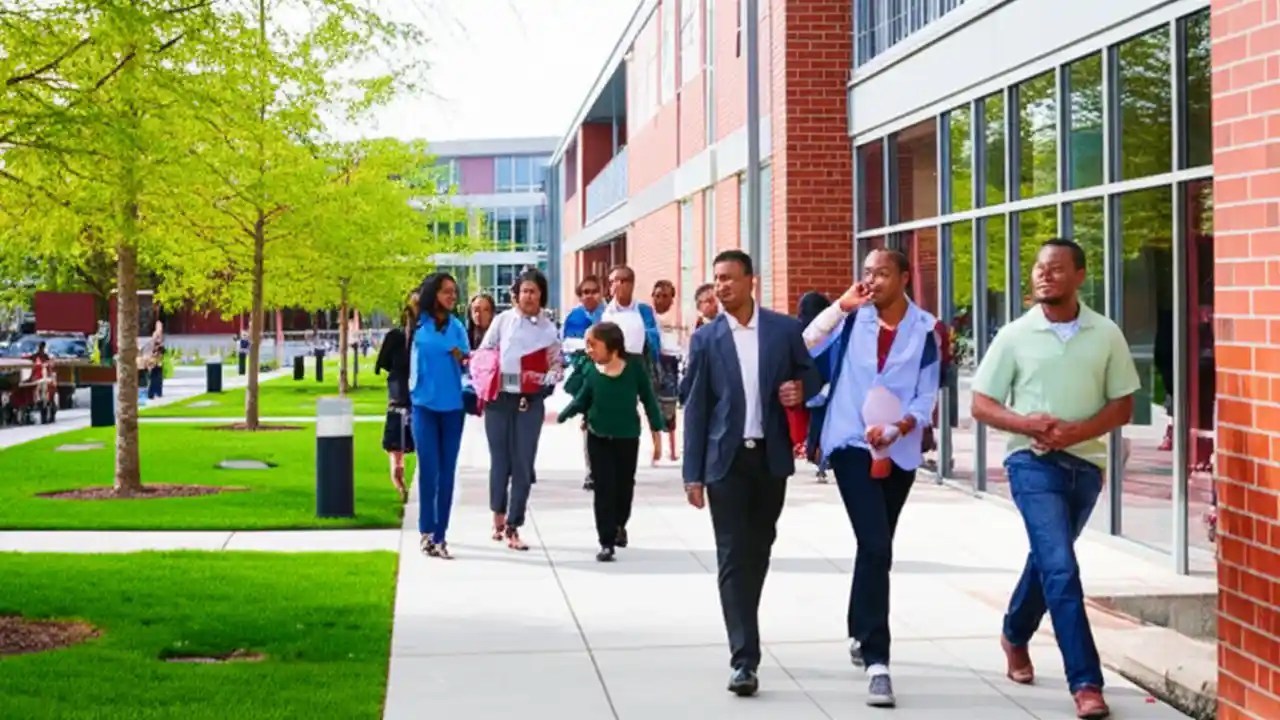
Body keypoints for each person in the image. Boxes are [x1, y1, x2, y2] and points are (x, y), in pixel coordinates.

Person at [970, 238, 1140, 720]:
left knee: (1047, 562)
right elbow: (981, 403)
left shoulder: (1105, 334)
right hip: (1031, 463)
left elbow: (1123, 403)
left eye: (1057, 268)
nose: (1044, 275)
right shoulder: (1015, 335)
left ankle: (1014, 634)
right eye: (1039, 268)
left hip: (1086, 465)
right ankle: (1086, 682)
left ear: (1080, 275)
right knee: (1062, 568)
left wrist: (1078, 432)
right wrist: (1029, 425)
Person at [800, 249, 941, 708]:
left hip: (897, 449)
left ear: (903, 278)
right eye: (866, 273)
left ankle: (858, 628)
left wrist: (902, 426)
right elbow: (805, 344)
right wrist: (841, 305)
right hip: (851, 445)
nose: (872, 280)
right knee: (877, 543)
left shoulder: (926, 331)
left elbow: (925, 396)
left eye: (881, 273)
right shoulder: (851, 319)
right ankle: (879, 660)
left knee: (875, 544)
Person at [682, 249, 820, 697]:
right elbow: (697, 407)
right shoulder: (706, 338)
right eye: (716, 279)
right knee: (732, 555)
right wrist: (693, 473)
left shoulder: (783, 330)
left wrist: (800, 390)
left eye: (728, 278)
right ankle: (744, 658)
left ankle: (747, 622)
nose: (720, 286)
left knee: (758, 551)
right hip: (725, 463)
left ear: (750, 282)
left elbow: (812, 377)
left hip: (770, 459)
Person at [557, 321, 665, 561]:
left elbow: (648, 400)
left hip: (627, 437)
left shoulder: (635, 368)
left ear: (612, 347)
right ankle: (606, 541)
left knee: (624, 487)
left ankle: (619, 525)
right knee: (603, 489)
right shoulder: (592, 370)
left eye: (593, 344)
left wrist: (658, 436)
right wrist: (565, 414)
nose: (589, 350)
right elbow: (583, 398)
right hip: (598, 436)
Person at [479, 267, 562, 551]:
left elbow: (556, 365)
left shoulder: (548, 329)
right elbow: (485, 352)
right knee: (499, 462)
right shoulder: (502, 321)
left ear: (541, 296)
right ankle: (497, 518)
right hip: (499, 400)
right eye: (524, 290)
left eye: (534, 291)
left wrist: (544, 378)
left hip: (530, 401)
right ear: (516, 295)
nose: (528, 296)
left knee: (523, 464)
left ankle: (515, 525)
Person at [409, 273, 470, 560]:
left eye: (454, 293)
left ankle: (441, 536)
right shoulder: (417, 324)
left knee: (447, 473)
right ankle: (426, 532)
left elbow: (468, 364)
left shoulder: (457, 327)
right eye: (446, 291)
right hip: (423, 406)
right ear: (434, 293)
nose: (451, 297)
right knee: (428, 471)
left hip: (452, 408)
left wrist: (458, 353)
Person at [561, 276, 605, 490]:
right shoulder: (573, 318)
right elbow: (566, 348)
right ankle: (592, 472)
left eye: (593, 291)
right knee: (590, 424)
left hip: (610, 377)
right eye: (584, 292)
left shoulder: (609, 315)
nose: (589, 295)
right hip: (587, 379)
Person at [375, 291, 418, 503]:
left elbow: (382, 366)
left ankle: (402, 488)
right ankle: (402, 488)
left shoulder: (422, 338)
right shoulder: (397, 337)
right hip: (405, 401)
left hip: (408, 401)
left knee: (397, 453)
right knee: (397, 453)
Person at [648, 279, 681, 463]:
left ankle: (673, 448)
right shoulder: (648, 316)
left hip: (672, 364)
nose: (660, 299)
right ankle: (656, 447)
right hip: (653, 362)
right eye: (657, 295)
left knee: (670, 407)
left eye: (665, 296)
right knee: (653, 404)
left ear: (672, 298)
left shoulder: (678, 317)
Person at [561, 276, 605, 341]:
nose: (590, 296)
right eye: (586, 292)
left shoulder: (610, 314)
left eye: (594, 292)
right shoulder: (572, 316)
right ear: (580, 297)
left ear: (601, 294)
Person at [147, 321, 165, 399]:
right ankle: (152, 393)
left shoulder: (160, 335)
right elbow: (153, 347)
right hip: (155, 360)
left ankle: (158, 392)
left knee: (159, 376)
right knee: (154, 376)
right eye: (159, 326)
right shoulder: (155, 335)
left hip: (159, 359)